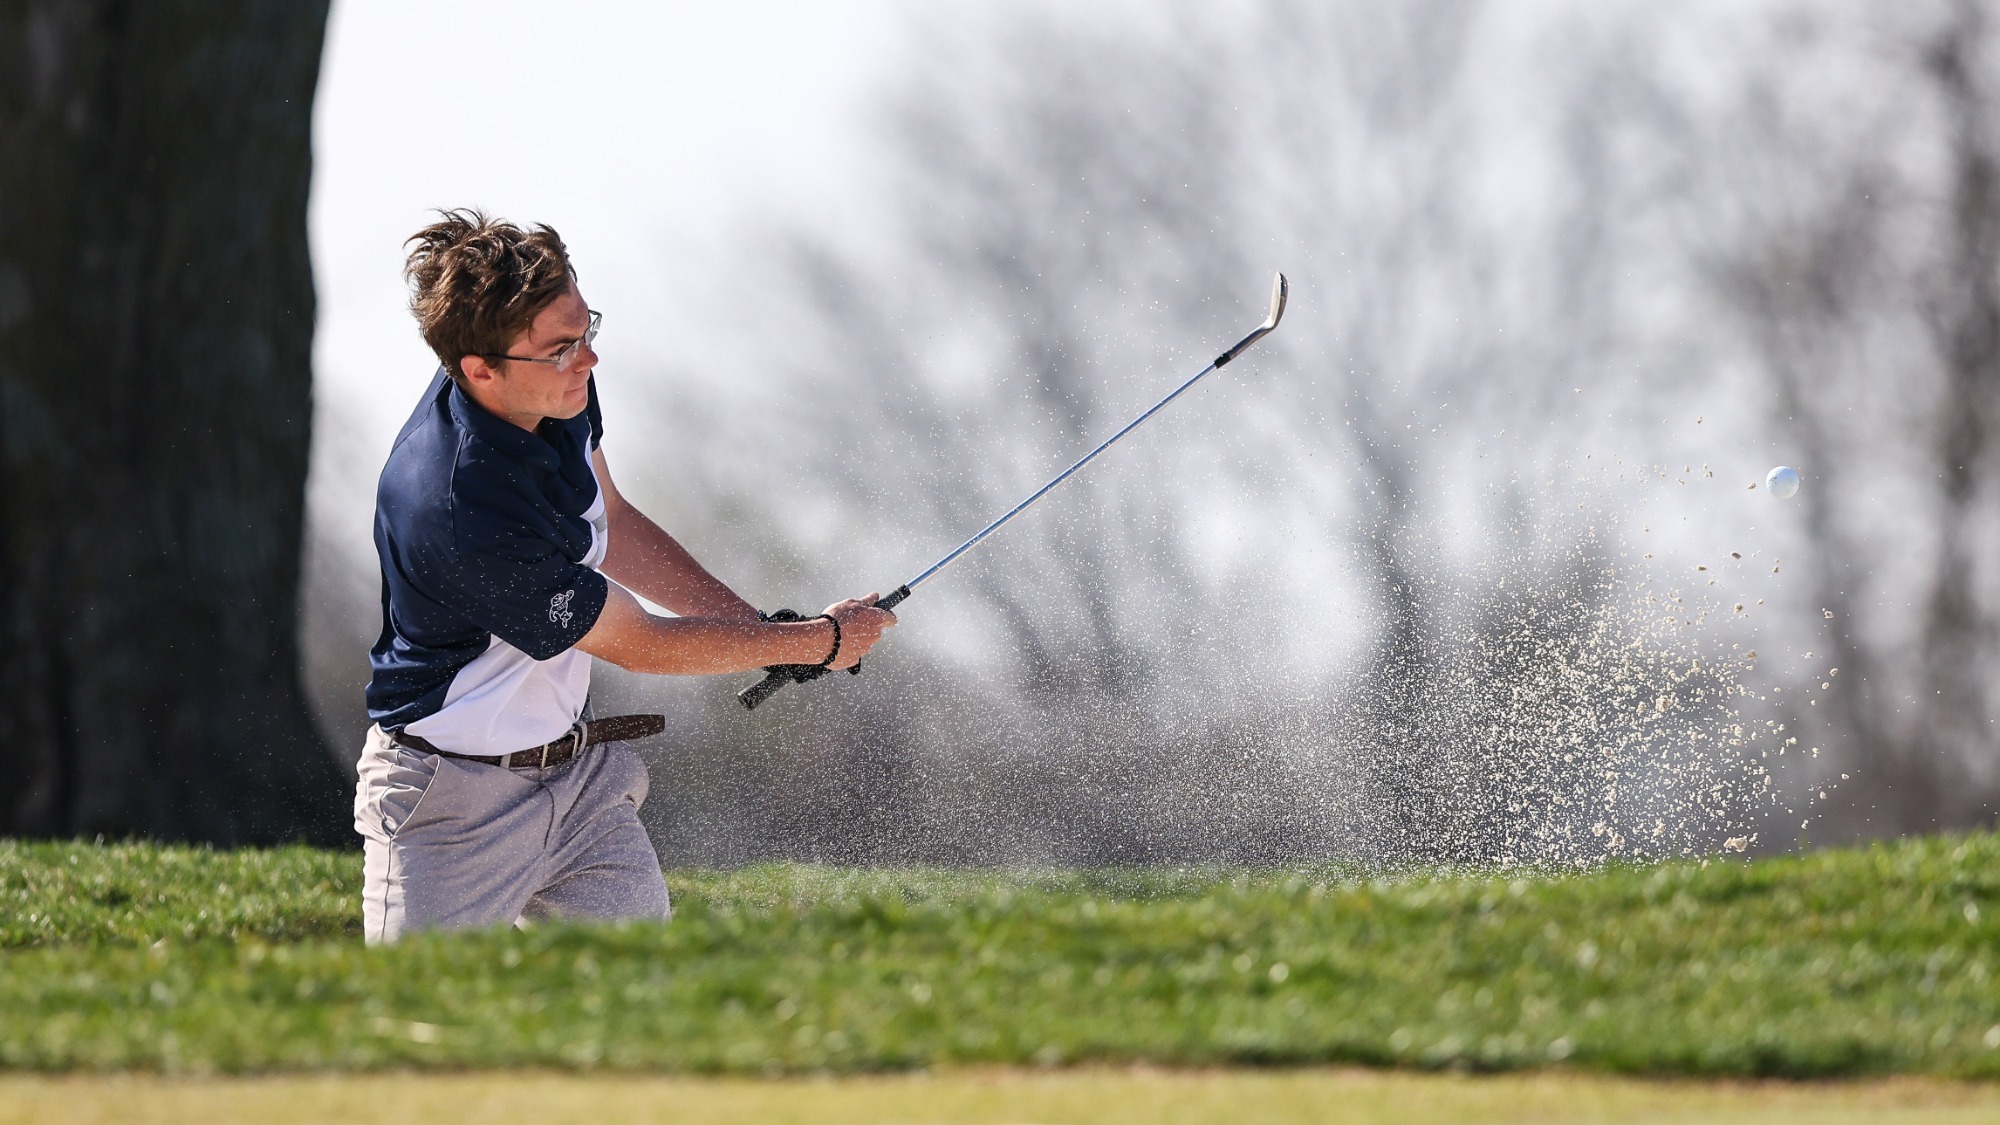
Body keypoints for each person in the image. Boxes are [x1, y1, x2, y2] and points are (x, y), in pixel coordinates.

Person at [354, 210, 894, 944]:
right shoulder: (458, 508)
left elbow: (613, 520)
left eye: (587, 331)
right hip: (447, 802)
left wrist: (767, 631)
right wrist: (814, 641)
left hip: (578, 789)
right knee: (414, 1029)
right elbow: (640, 643)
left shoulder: (553, 388)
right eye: (562, 347)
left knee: (641, 1002)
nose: (589, 361)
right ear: (480, 369)